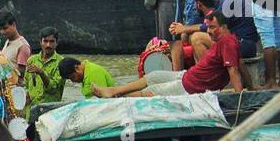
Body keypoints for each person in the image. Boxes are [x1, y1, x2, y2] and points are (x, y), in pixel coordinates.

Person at [94, 10, 243, 98]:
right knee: (153, 76)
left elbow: (234, 70)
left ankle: (115, 99)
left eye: (213, 28)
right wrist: (252, 86)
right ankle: (113, 91)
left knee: (150, 92)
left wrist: (239, 97)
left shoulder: (228, 43)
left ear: (224, 27)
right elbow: (239, 64)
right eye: (208, 27)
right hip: (187, 76)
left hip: (190, 87)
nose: (208, 31)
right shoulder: (227, 41)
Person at [22, 28, 65, 106]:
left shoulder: (61, 63)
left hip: (49, 109)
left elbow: (54, 88)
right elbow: (26, 83)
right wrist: (25, 94)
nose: (48, 45)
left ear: (56, 43)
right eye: (45, 41)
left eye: (52, 41)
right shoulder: (32, 60)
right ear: (40, 42)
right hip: (31, 107)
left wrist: (41, 73)